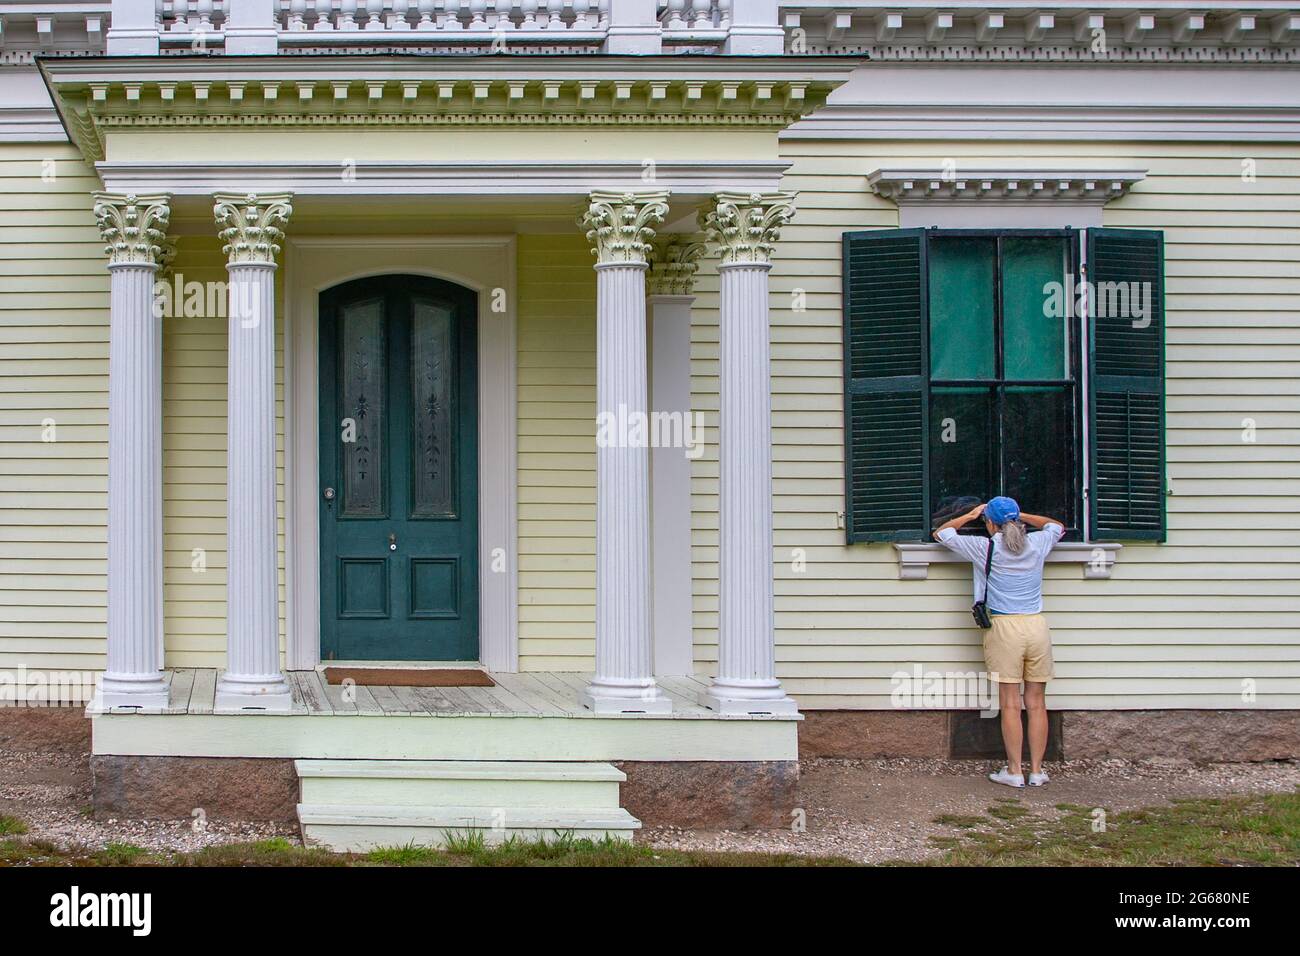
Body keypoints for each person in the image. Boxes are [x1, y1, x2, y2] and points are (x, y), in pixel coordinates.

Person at [932, 496, 1065, 789]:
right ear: (1017, 521)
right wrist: (1020, 515)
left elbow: (942, 533)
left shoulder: (985, 547)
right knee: (1037, 703)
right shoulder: (1038, 544)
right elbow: (1056, 526)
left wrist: (970, 515)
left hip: (1005, 628)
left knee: (1009, 704)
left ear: (989, 523)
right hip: (1036, 626)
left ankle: (1015, 771)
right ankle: (1038, 771)